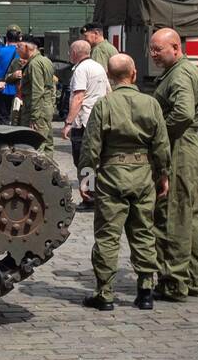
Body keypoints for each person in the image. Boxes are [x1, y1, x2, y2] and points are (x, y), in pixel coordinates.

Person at [80, 53, 171, 311]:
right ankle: (145, 291)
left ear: (109, 76)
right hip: (143, 174)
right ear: (133, 74)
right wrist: (163, 174)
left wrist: (86, 178)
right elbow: (161, 144)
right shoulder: (151, 104)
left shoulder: (104, 105)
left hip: (112, 175)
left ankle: (105, 294)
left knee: (108, 236)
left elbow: (90, 147)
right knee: (143, 232)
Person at [148, 26, 198, 300]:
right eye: (152, 49)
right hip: (190, 146)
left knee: (173, 217)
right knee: (191, 216)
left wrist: (160, 134)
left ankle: (174, 282)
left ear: (175, 47)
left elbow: (183, 113)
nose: (153, 55)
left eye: (158, 49)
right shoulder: (185, 70)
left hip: (181, 149)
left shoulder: (180, 75)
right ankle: (195, 278)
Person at [63, 38, 110, 208]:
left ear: (75, 53)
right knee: (96, 160)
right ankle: (98, 194)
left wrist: (68, 122)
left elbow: (78, 97)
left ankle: (89, 197)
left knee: (83, 161)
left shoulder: (81, 70)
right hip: (98, 120)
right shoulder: (98, 67)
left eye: (70, 52)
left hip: (83, 123)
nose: (69, 55)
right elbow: (108, 92)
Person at [15, 39, 57, 154]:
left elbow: (37, 90)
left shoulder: (34, 64)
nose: (17, 50)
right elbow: (51, 86)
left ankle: (38, 170)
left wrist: (34, 116)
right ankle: (48, 168)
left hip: (37, 109)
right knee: (47, 142)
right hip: (45, 106)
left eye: (19, 47)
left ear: (27, 48)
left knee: (35, 145)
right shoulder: (46, 60)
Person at [0, 26, 21, 122]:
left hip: (2, 86)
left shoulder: (1, 50)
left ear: (7, 37)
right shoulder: (20, 51)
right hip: (16, 87)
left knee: (1, 116)